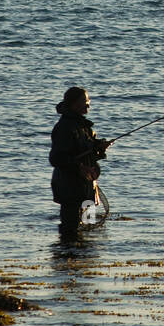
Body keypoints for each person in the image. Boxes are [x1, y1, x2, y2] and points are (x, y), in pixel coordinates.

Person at [50, 87, 110, 238]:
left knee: (85, 229)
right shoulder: (64, 127)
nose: (88, 104)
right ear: (74, 104)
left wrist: (99, 147)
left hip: (85, 186)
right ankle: (66, 256)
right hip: (69, 187)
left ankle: (79, 257)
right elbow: (56, 158)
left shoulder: (83, 126)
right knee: (70, 230)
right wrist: (79, 167)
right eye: (85, 101)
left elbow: (86, 150)